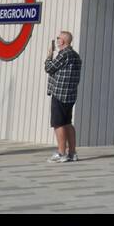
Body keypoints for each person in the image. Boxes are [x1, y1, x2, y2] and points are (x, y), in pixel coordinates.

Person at [44, 30, 82, 163]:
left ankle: (62, 153)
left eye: (58, 38)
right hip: (70, 94)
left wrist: (49, 55)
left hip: (60, 93)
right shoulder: (76, 56)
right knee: (67, 123)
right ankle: (72, 153)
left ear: (63, 41)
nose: (57, 40)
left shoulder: (64, 54)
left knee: (58, 123)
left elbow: (49, 68)